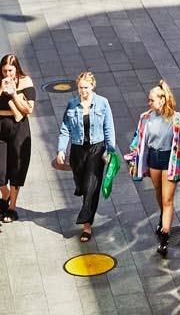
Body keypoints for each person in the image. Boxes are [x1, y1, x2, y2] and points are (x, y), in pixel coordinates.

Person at [126, 78, 180, 256]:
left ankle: (164, 237)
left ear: (162, 100)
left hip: (171, 159)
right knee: (159, 192)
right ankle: (163, 217)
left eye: (152, 100)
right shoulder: (146, 118)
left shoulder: (177, 119)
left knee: (167, 199)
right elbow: (137, 140)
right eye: (149, 100)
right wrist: (132, 160)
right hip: (154, 158)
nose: (149, 102)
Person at [54, 71, 118, 241]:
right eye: (80, 88)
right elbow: (65, 128)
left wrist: (110, 150)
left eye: (86, 88)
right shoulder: (72, 104)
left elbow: (108, 127)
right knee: (81, 184)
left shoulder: (102, 103)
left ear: (93, 86)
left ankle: (86, 225)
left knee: (91, 186)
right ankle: (85, 203)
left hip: (97, 148)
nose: (83, 91)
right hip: (78, 149)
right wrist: (61, 149)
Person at [0, 53, 34, 223]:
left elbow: (28, 109)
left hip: (19, 127)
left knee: (17, 167)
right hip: (0, 125)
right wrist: (1, 89)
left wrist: (13, 94)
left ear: (17, 69)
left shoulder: (25, 81)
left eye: (11, 71)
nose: (8, 74)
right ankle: (5, 195)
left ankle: (12, 207)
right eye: (5, 71)